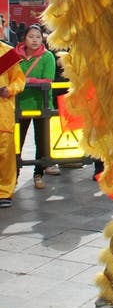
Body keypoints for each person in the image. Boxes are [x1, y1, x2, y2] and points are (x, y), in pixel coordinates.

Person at [15, 24, 59, 188]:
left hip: (41, 104)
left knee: (41, 141)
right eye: (31, 36)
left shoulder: (48, 57)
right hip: (20, 104)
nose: (34, 40)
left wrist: (27, 81)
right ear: (24, 39)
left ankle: (38, 174)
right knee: (16, 141)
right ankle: (14, 175)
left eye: (38, 37)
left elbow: (48, 80)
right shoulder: (14, 55)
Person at [0, 41, 25, 208]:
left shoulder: (7, 53)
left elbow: (19, 80)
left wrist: (9, 90)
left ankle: (4, 191)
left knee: (5, 153)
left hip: (3, 111)